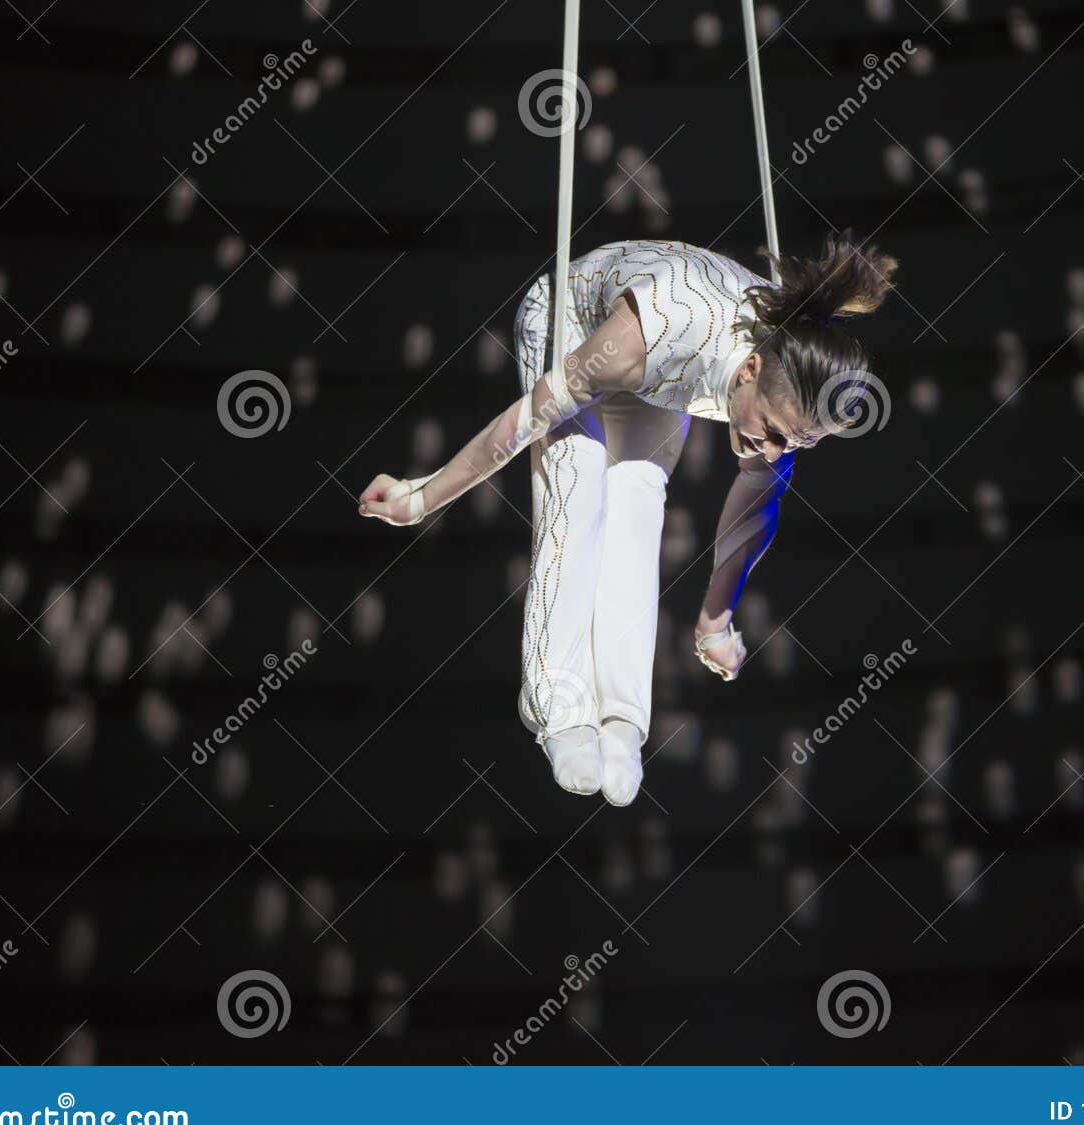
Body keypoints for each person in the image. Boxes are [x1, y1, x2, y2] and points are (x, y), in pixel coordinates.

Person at [360, 231, 897, 806]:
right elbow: (521, 427)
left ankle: (621, 721)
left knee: (639, 501)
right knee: (576, 481)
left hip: (665, 375)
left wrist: (714, 620)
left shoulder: (785, 395)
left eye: (795, 444)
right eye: (768, 431)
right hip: (582, 325)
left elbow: (753, 510)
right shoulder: (643, 342)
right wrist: (423, 498)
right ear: (749, 370)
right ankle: (562, 709)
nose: (771, 450)